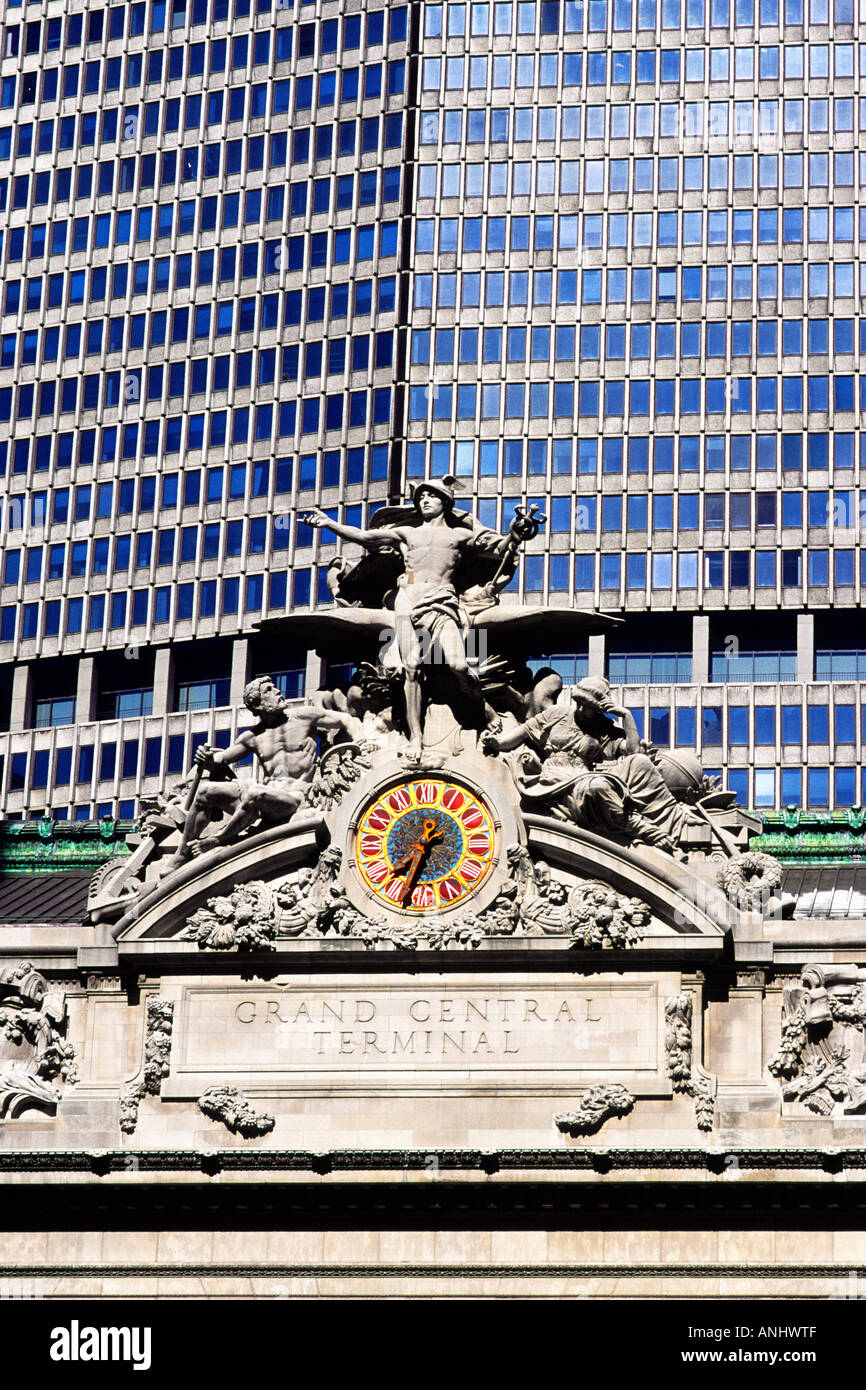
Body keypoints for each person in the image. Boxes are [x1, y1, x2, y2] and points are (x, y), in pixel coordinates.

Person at [304, 479, 529, 757]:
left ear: (444, 502)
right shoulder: (406, 533)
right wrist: (329, 523)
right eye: (421, 496)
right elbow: (364, 537)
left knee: (459, 665)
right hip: (408, 602)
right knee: (411, 669)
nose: (424, 501)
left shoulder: (460, 535)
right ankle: (415, 739)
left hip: (442, 601)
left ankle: (487, 713)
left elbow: (499, 549)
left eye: (431, 496)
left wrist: (516, 533)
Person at [483, 674, 704, 853]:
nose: (580, 708)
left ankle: (675, 816)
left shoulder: (603, 727)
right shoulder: (557, 714)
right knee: (599, 786)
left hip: (584, 774)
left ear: (598, 707)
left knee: (640, 763)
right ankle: (637, 826)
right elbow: (521, 733)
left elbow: (633, 751)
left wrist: (626, 715)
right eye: (579, 702)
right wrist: (497, 742)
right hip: (558, 778)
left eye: (587, 705)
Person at [182, 675, 354, 853]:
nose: (278, 691)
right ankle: (182, 854)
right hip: (265, 794)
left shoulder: (303, 716)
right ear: (257, 704)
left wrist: (362, 742)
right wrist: (206, 758)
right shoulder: (252, 737)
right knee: (205, 792)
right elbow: (222, 759)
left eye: (274, 687)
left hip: (294, 795)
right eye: (269, 690)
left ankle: (218, 839)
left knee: (256, 793)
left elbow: (347, 720)